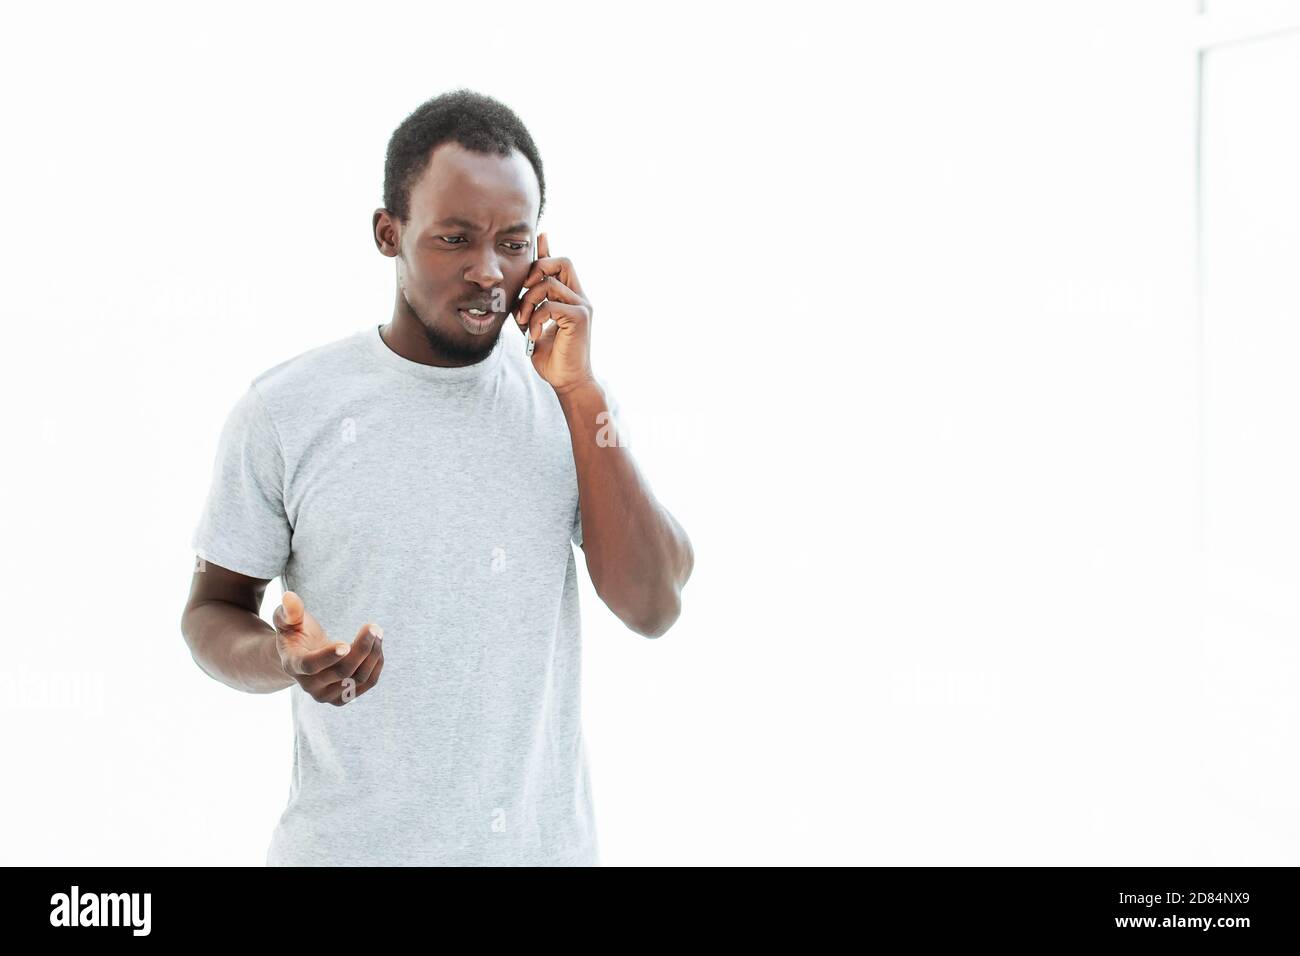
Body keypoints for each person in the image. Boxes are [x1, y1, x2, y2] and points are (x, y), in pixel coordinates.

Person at [180, 89, 694, 866]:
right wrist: (280, 659)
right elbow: (211, 613)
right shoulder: (286, 410)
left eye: (513, 243)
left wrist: (581, 392)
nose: (488, 272)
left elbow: (653, 604)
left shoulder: (569, 402)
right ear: (389, 233)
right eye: (455, 239)